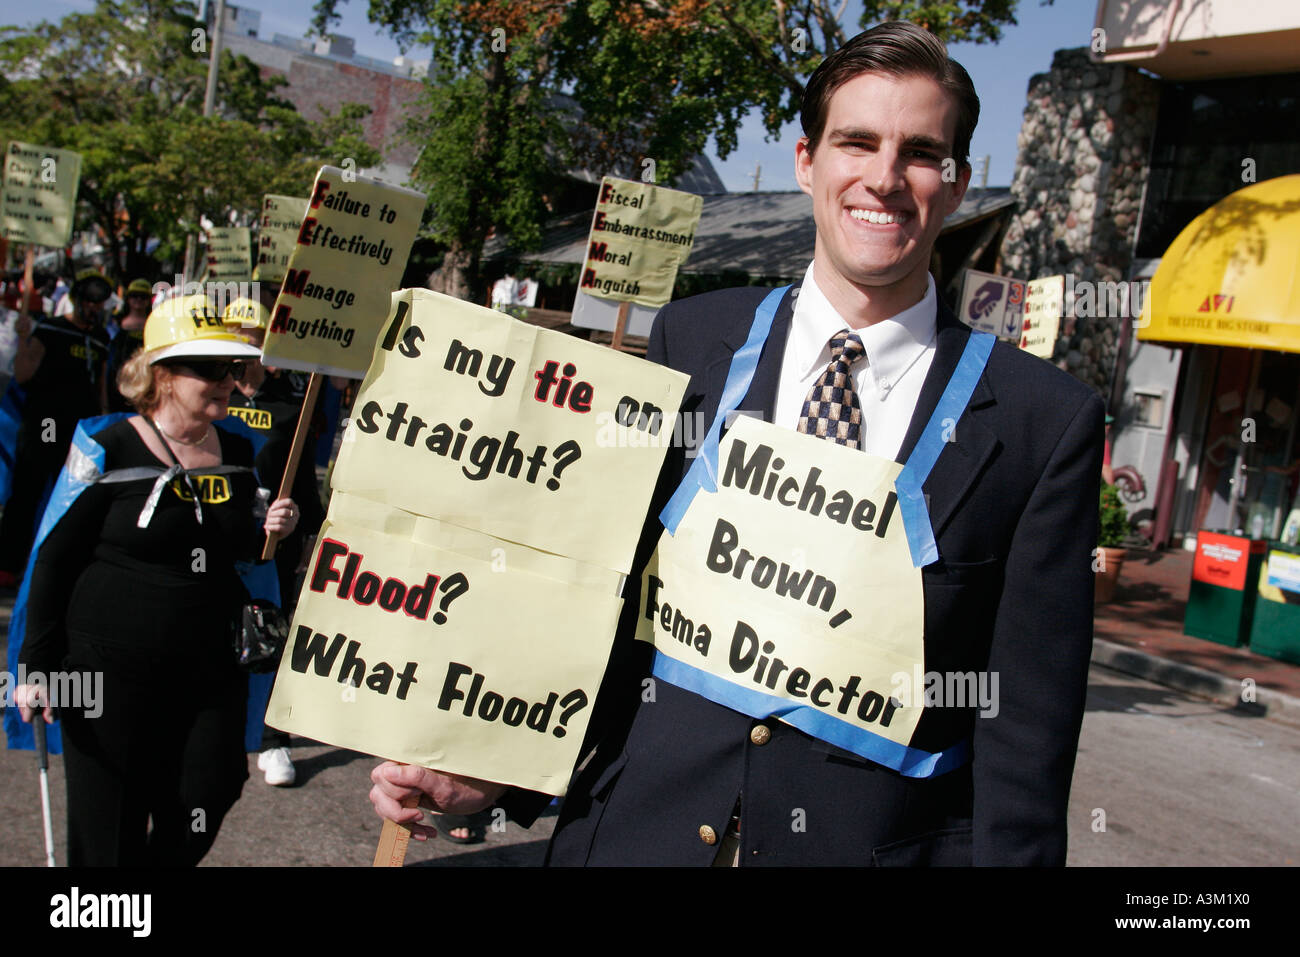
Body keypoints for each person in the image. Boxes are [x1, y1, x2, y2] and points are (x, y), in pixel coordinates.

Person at [370, 21, 1104, 865]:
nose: (883, 176)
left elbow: (1025, 730)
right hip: (635, 837)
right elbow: (604, 601)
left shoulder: (1042, 421)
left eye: (921, 151)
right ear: (806, 161)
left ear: (958, 181)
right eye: (855, 141)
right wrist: (493, 765)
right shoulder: (692, 339)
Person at [14, 293, 300, 866]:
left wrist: (273, 527)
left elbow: (237, 550)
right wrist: (36, 668)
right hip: (103, 668)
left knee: (210, 787)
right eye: (209, 369)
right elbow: (54, 560)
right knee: (108, 818)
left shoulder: (243, 450)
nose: (227, 381)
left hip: (206, 665)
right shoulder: (108, 447)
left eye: (232, 368)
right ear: (163, 374)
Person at [222, 295, 327, 787]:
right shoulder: (214, 396)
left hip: (279, 538)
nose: (243, 345)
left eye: (252, 334)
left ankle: (273, 738)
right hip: (221, 534)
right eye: (235, 334)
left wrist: (310, 532)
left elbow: (304, 475)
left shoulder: (292, 400)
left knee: (274, 630)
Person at [0, 270, 112, 586]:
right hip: (45, 424)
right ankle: (9, 562)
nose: (94, 310)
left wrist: (103, 419)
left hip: (82, 430)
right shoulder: (50, 329)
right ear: (77, 301)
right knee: (29, 491)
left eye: (99, 304)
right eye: (89, 302)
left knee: (78, 496)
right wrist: (23, 338)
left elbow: (101, 383)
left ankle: (63, 566)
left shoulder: (101, 338)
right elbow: (22, 374)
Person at [104, 278, 152, 413]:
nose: (138, 300)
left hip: (143, 378)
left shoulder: (153, 323)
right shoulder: (115, 321)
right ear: (128, 299)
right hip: (115, 377)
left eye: (143, 297)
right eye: (134, 296)